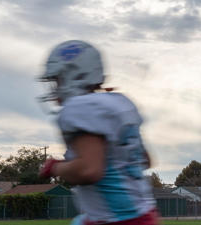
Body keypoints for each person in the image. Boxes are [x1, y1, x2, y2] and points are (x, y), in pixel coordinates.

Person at [37, 40, 158, 225]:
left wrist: (55, 167)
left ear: (74, 75)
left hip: (117, 219)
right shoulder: (120, 103)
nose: (55, 88)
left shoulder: (81, 108)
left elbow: (89, 170)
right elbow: (145, 160)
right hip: (144, 214)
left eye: (58, 80)